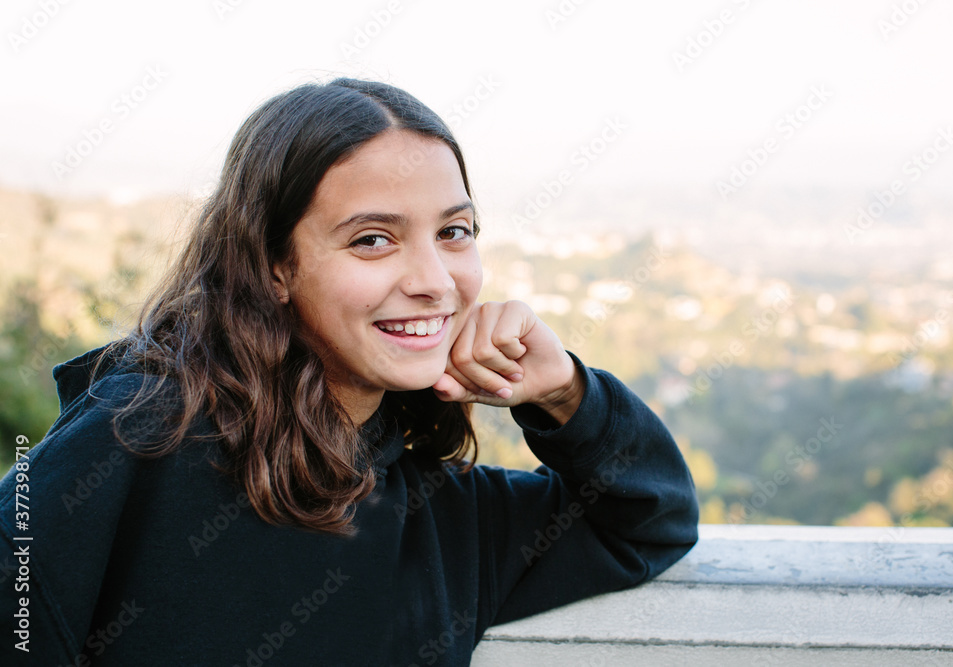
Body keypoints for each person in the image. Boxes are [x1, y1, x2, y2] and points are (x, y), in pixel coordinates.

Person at [0, 77, 698, 666]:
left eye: (454, 231)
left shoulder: (445, 519)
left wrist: (566, 391)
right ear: (275, 266)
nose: (433, 280)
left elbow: (645, 520)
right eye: (373, 239)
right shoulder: (137, 434)